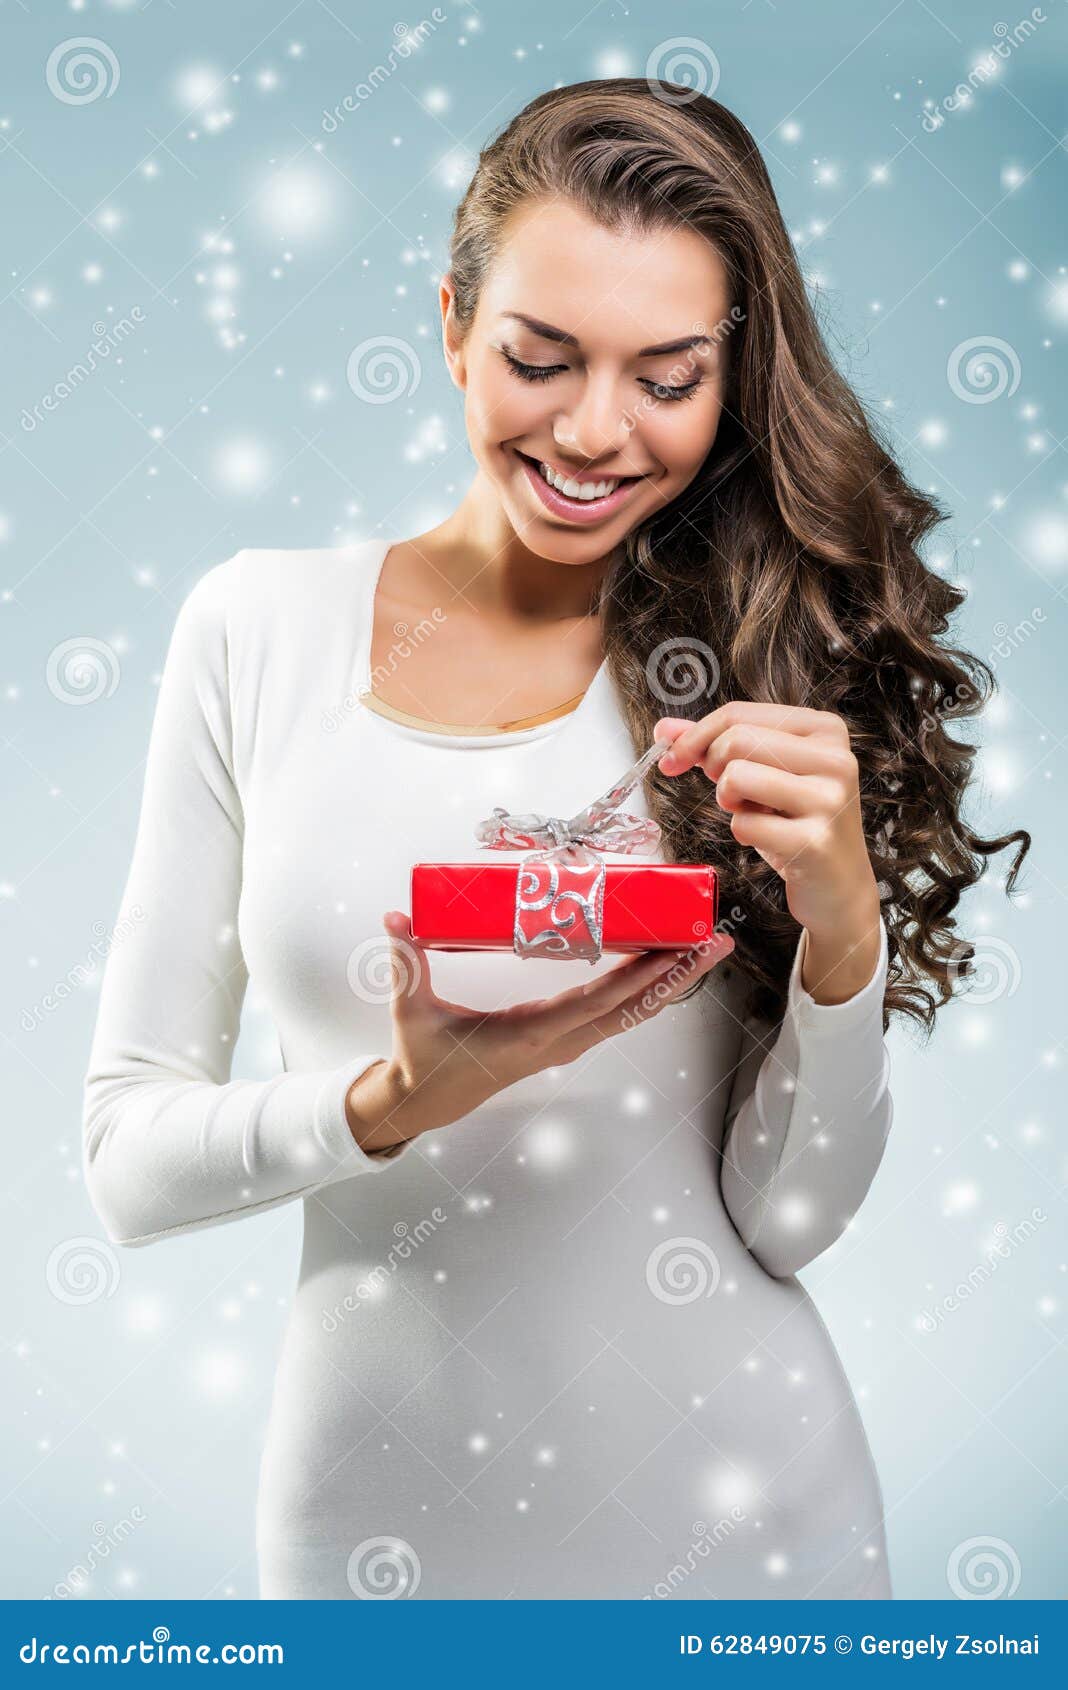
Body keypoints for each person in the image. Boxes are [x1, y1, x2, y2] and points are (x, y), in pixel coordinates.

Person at [82, 78, 1029, 1601]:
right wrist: (391, 1101)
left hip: (757, 1549)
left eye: (667, 377)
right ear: (452, 322)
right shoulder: (256, 628)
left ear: (734, 380)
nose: (595, 433)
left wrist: (841, 936)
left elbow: (786, 1216)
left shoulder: (753, 670)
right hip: (363, 1550)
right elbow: (126, 1163)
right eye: (540, 358)